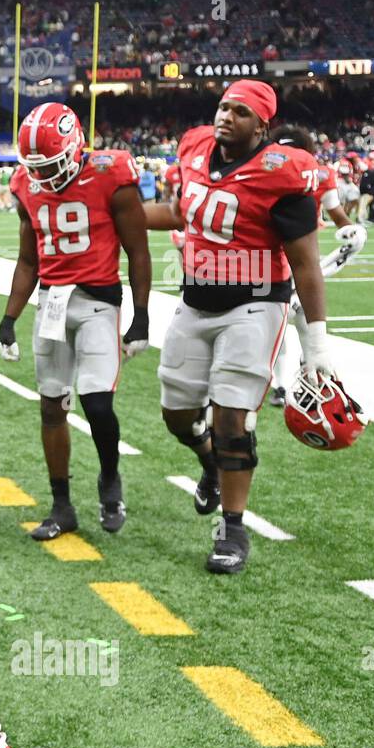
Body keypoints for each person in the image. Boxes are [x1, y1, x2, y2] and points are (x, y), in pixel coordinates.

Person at [143, 80, 330, 574]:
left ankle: (232, 528)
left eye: (241, 112)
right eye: (224, 107)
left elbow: (306, 264)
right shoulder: (196, 147)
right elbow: (182, 213)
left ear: (262, 125)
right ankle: (209, 461)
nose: (226, 117)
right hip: (194, 301)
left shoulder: (284, 172)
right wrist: (121, 216)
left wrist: (317, 344)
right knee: (177, 416)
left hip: (254, 304)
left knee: (233, 416)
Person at [0, 102, 152, 538]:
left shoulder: (111, 174)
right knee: (52, 405)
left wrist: (140, 316)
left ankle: (109, 477)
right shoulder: (26, 185)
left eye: (50, 164)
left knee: (97, 401)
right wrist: (9, 318)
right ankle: (61, 504)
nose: (43, 176)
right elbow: (29, 260)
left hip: (99, 302)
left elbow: (138, 251)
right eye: (36, 167)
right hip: (52, 303)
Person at [267, 126, 367, 406]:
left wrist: (354, 231)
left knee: (303, 321)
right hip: (269, 257)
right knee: (277, 322)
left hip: (299, 258)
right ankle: (280, 384)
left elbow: (336, 214)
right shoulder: (261, 171)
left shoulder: (320, 175)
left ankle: (309, 380)